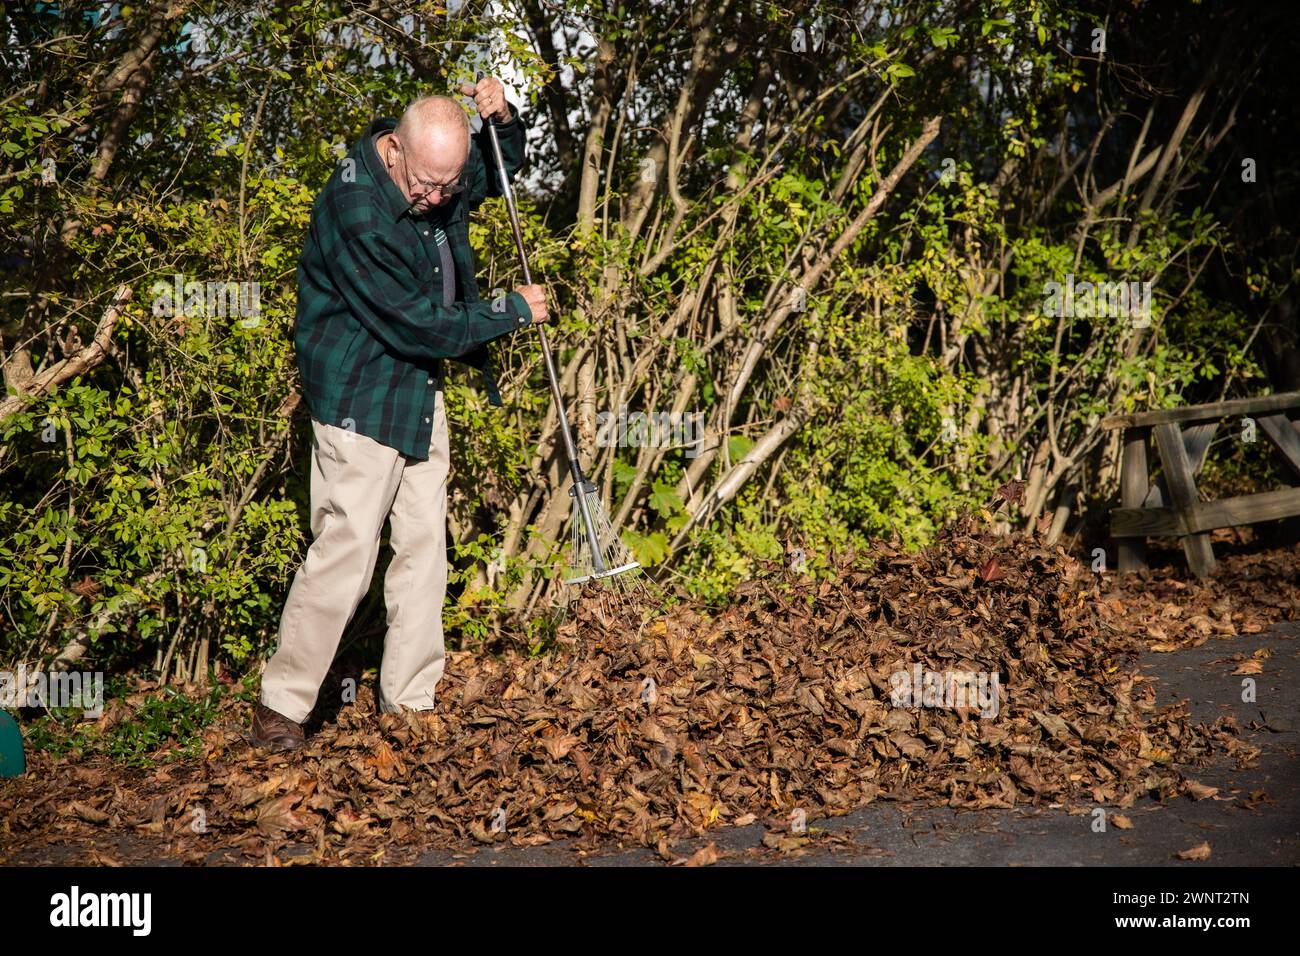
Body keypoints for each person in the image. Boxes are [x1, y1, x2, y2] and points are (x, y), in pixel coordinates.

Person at [250, 76, 548, 751]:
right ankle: (280, 709)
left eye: (447, 186)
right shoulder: (357, 206)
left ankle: (410, 703)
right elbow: (415, 323)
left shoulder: (436, 168)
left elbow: (496, 172)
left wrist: (502, 122)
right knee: (347, 553)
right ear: (396, 151)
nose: (439, 199)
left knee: (423, 548)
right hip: (359, 394)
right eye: (427, 186)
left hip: (416, 390)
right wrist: (507, 311)